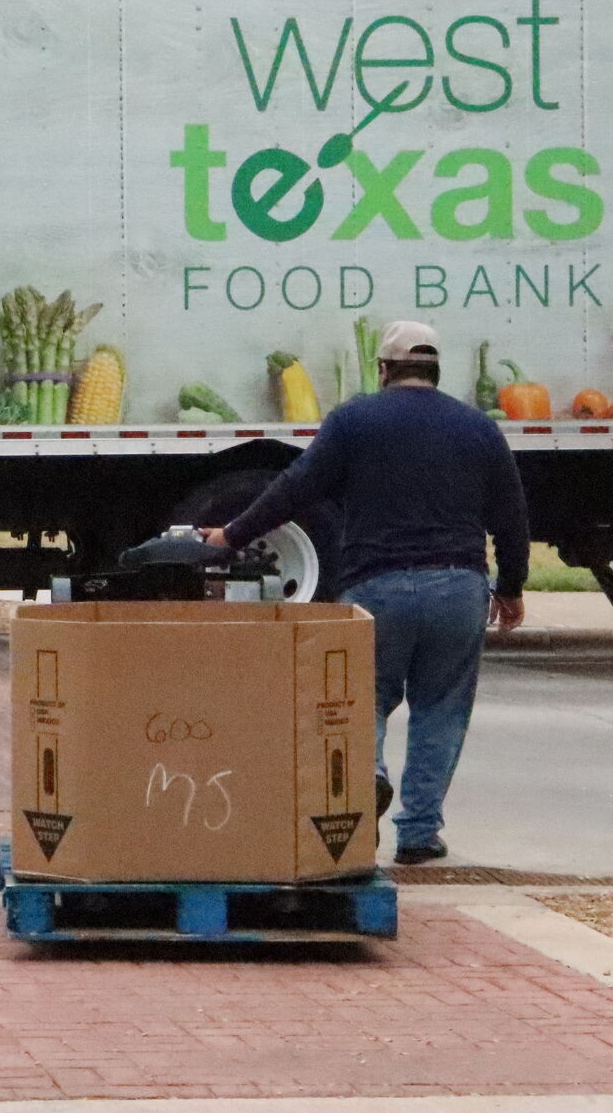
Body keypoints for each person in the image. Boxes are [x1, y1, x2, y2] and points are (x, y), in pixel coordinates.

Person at [203, 320, 528, 865]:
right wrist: (512, 587)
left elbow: (294, 488)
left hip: (376, 587)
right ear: (435, 368)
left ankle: (367, 779)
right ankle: (420, 834)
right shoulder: (478, 427)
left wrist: (231, 535)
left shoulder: (355, 419)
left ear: (383, 369)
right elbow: (512, 516)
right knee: (441, 709)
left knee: (364, 701)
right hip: (458, 587)